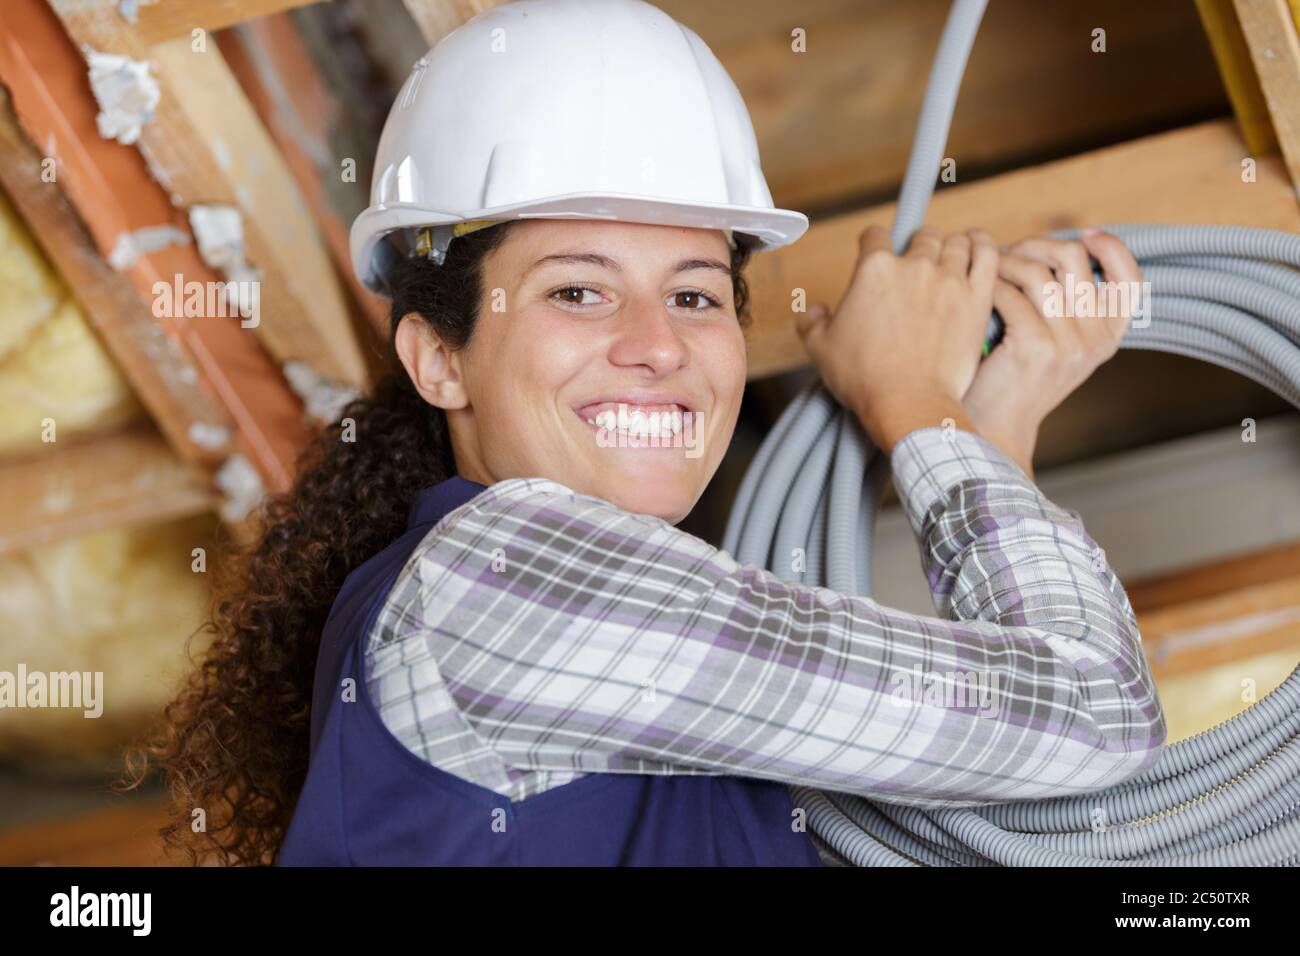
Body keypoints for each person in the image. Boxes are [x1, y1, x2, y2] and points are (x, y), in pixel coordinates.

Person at [123, 0, 1165, 866]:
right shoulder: (495, 581)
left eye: (698, 296)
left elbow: (1017, 774)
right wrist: (913, 402)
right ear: (438, 358)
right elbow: (1093, 718)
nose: (657, 345)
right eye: (578, 289)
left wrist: (991, 423)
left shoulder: (668, 681)